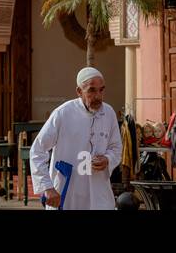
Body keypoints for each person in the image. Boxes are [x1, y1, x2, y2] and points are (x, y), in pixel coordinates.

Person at [29, 67, 122, 210]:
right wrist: (47, 187)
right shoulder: (63, 113)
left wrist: (107, 159)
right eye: (92, 90)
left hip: (99, 194)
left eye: (101, 90)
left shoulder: (108, 113)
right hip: (68, 194)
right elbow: (37, 150)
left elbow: (116, 147)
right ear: (79, 91)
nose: (98, 96)